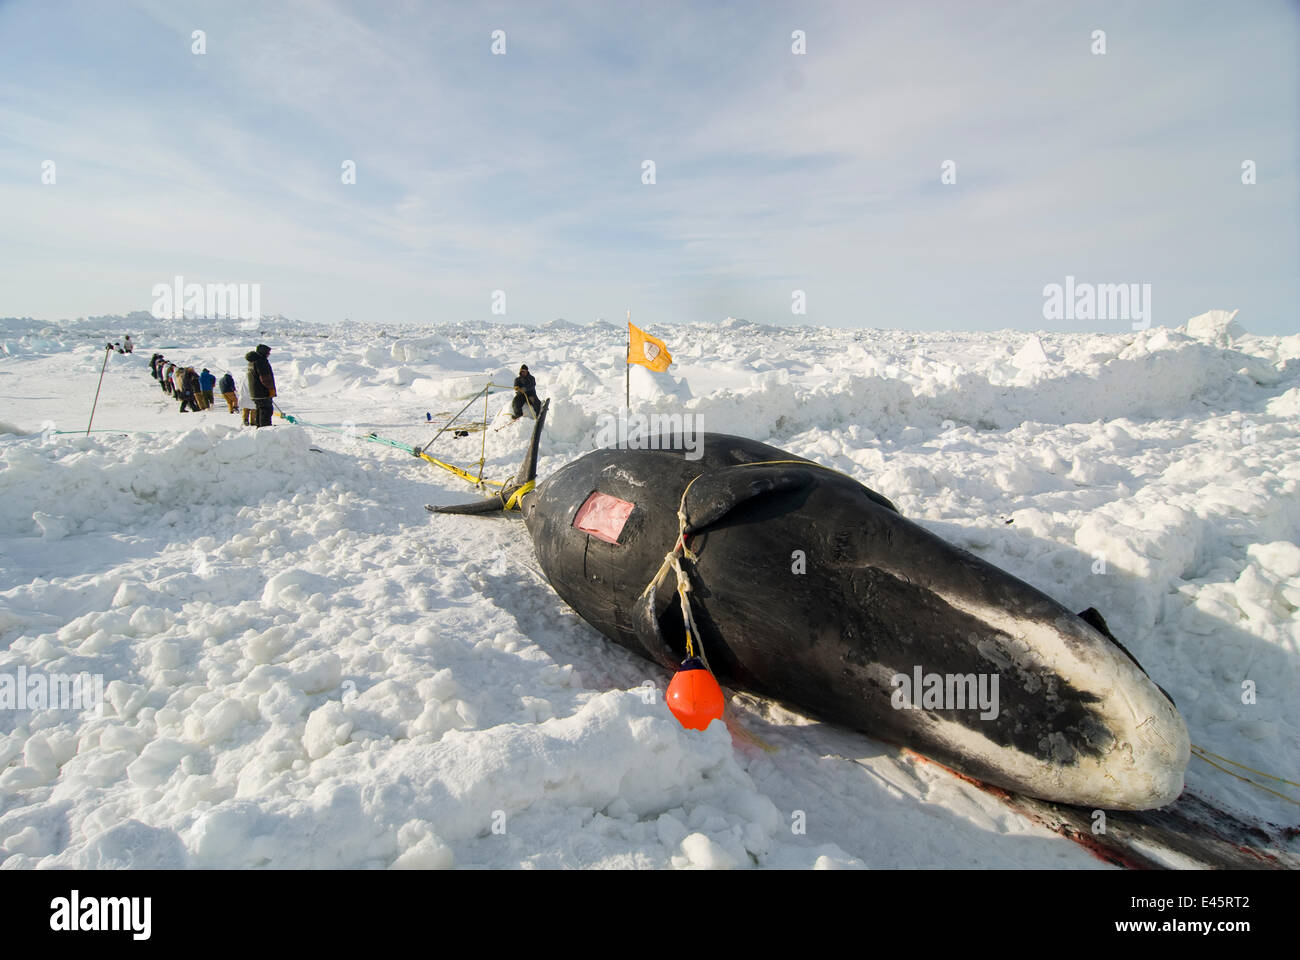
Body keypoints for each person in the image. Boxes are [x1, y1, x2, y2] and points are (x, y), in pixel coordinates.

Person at [247, 344, 276, 427]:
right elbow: (265, 378)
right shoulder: (261, 361)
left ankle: (260, 428)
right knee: (266, 410)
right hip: (263, 392)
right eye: (268, 353)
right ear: (263, 353)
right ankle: (265, 429)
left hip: (255, 392)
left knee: (259, 410)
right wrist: (271, 389)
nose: (268, 355)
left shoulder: (251, 362)